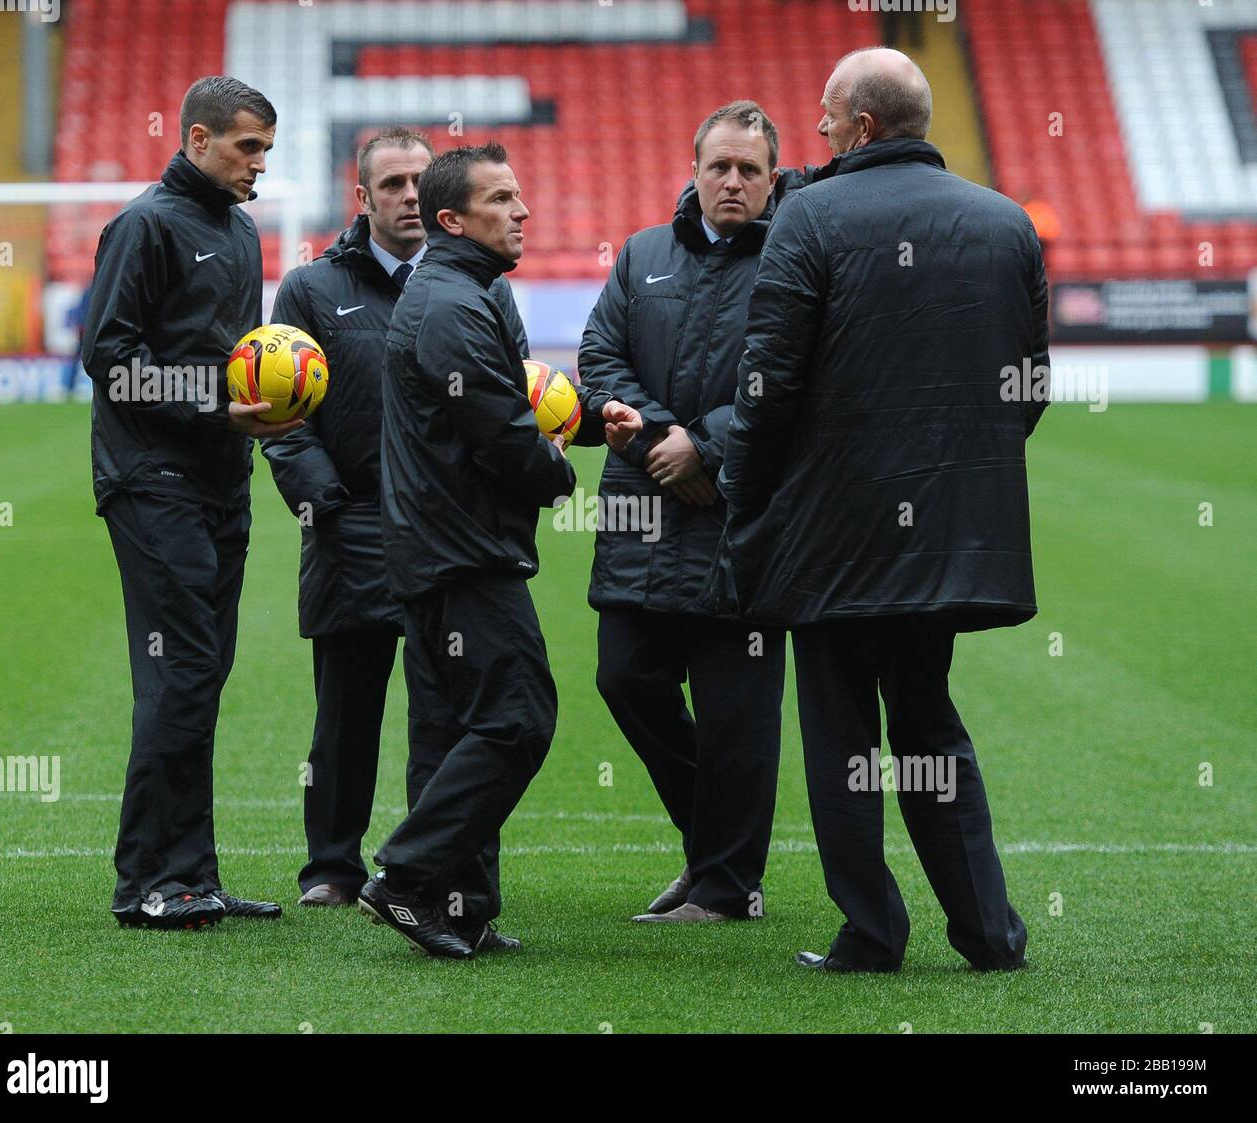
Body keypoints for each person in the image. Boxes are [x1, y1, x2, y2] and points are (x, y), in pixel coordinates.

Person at [716, 48, 1044, 972]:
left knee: (840, 737)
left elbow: (766, 384)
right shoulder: (1005, 220)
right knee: (929, 720)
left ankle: (872, 930)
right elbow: (1031, 384)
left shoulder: (809, 214)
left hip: (832, 536)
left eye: (824, 118)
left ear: (859, 126)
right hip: (947, 535)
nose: (815, 134)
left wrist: (746, 500)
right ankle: (989, 932)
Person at [357, 142, 642, 958]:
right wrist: (558, 475)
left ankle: (459, 907)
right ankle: (407, 879)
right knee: (519, 718)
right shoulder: (451, 302)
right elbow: (501, 429)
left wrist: (593, 421)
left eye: (519, 196)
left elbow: (514, 395)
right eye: (502, 200)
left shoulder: (461, 289)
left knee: (457, 729)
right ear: (453, 220)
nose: (522, 212)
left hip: (439, 543)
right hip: (461, 550)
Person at [261, 129, 529, 908]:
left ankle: (440, 876)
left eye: (419, 182)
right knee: (346, 707)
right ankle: (333, 868)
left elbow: (502, 398)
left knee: (451, 714)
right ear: (363, 199)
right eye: (392, 185)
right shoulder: (311, 288)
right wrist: (328, 503)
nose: (409, 196)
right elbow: (283, 414)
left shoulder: (483, 287)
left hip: (447, 533)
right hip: (354, 526)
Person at [82, 76, 297, 930]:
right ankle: (151, 881)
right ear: (199, 139)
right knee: (179, 670)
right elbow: (111, 357)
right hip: (150, 480)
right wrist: (217, 399)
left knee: (200, 672)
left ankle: (185, 875)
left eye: (267, 151)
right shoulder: (143, 225)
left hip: (219, 481)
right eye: (248, 147)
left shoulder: (239, 231)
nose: (259, 166)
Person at [577, 101, 791, 923]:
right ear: (694, 169)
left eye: (749, 169)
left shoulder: (796, 259)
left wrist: (708, 446)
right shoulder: (642, 255)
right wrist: (660, 443)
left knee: (738, 713)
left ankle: (727, 885)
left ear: (774, 179)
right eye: (719, 167)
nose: (732, 181)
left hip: (748, 523)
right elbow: (599, 359)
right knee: (626, 677)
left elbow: (799, 382)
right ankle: (715, 851)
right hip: (643, 513)